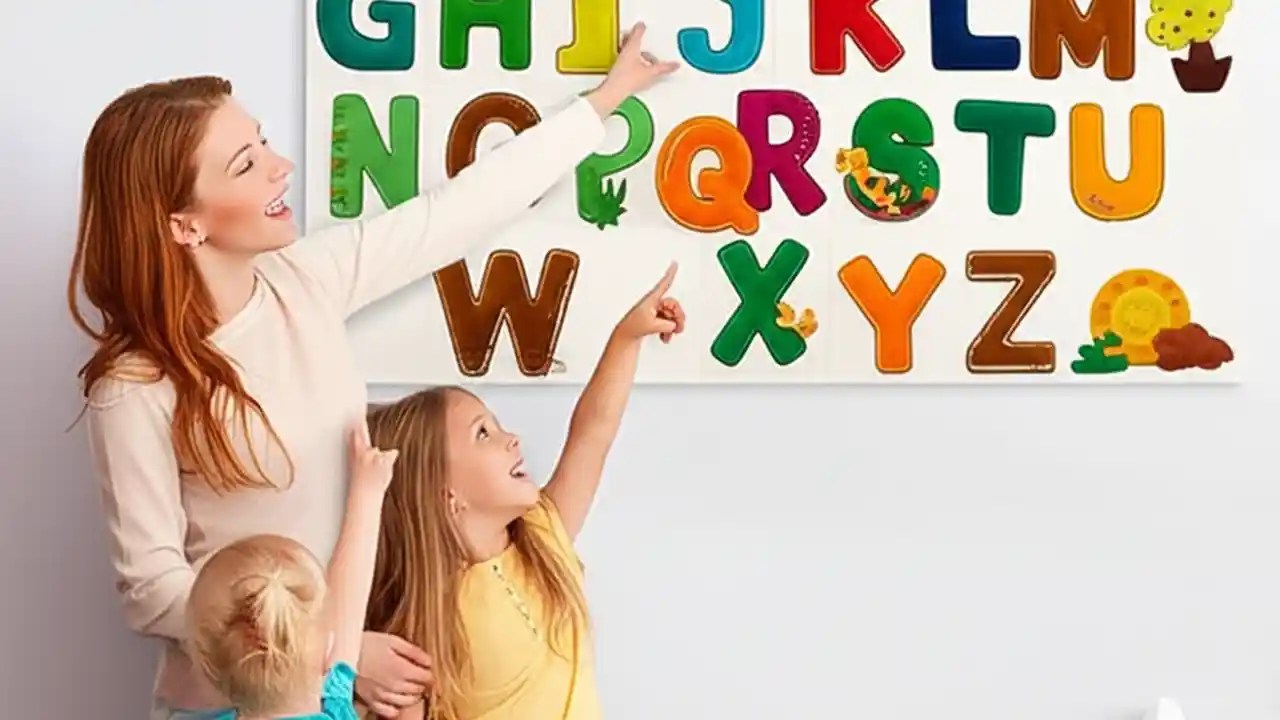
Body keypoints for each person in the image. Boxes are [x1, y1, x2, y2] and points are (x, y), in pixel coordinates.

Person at [67, 22, 677, 718]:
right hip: (234, 702)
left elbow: (458, 212)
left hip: (340, 685)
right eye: (245, 164)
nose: (280, 166)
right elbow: (151, 592)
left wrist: (603, 103)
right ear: (185, 225)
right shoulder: (136, 387)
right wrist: (335, 646)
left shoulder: (304, 280)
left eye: (264, 142)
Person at [363, 264, 686, 720]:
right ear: (444, 493)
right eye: (483, 433)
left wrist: (626, 338)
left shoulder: (543, 537)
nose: (512, 438)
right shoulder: (425, 619)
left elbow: (593, 433)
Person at [176, 422, 397, 719]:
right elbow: (348, 610)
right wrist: (368, 492)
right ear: (327, 654)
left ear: (207, 669)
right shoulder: (335, 710)